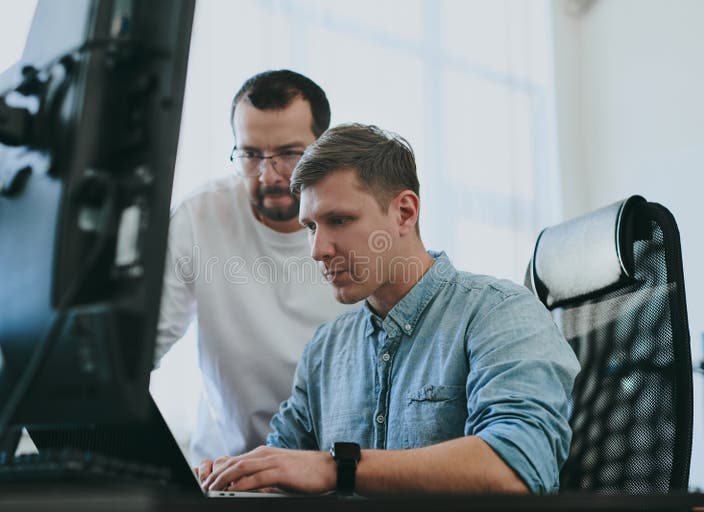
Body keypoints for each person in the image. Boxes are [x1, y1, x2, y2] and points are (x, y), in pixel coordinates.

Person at [197, 123, 580, 495]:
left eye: (339, 220)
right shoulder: (325, 349)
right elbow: (280, 470)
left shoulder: (501, 313)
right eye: (311, 226)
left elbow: (516, 469)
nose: (317, 250)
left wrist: (336, 468)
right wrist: (237, 477)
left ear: (404, 213)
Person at [155, 70, 351, 463]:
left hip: (333, 467)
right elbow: (140, 346)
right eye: (250, 155)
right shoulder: (200, 217)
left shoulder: (361, 221)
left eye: (290, 155)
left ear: (324, 148)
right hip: (229, 468)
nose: (270, 175)